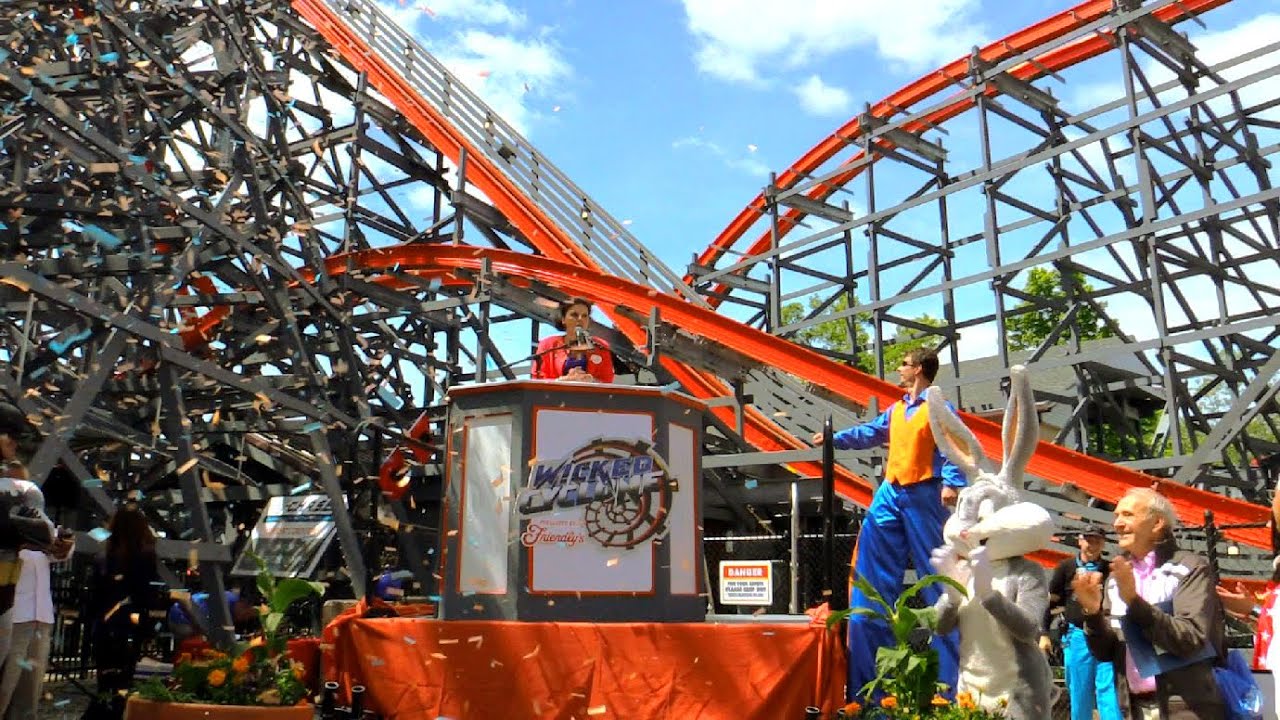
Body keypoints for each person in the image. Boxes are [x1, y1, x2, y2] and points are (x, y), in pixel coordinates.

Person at [809, 348, 965, 701]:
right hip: (891, 491)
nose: (898, 368)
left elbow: (955, 444)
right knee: (871, 582)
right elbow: (872, 432)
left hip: (925, 493)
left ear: (920, 369)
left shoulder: (937, 406)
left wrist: (952, 482)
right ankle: (867, 690)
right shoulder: (897, 409)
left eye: (904, 364)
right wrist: (836, 438)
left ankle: (947, 690)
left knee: (936, 581)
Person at [1073, 487, 1226, 720]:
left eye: (1128, 515)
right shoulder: (1117, 576)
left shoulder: (1190, 568)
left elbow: (1191, 638)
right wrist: (1092, 614)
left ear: (1157, 523)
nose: (1117, 524)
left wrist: (1134, 602)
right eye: (1116, 516)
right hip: (1134, 707)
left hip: (1185, 707)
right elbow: (1105, 652)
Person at [85, 506, 166, 719]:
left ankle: (104, 712)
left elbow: (95, 593)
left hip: (105, 624)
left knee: (106, 680)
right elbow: (148, 591)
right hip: (131, 623)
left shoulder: (104, 556)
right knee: (124, 679)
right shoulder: (145, 555)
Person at [0, 502, 73, 720]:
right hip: (13, 617)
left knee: (30, 691)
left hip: (40, 616)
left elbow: (58, 550)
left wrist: (65, 543)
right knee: (5, 685)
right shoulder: (9, 525)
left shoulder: (38, 523)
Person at [1045, 524, 1122, 720]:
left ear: (1103, 543)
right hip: (1077, 635)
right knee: (1079, 691)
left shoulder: (1108, 569)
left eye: (1097, 540)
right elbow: (1052, 600)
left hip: (1106, 635)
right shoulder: (1066, 568)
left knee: (1109, 690)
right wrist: (1044, 633)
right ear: (1080, 541)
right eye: (1088, 539)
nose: (1092, 544)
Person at [532, 298, 614, 383]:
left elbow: (607, 380)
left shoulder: (600, 346)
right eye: (574, 315)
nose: (580, 319)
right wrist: (562, 381)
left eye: (584, 316)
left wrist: (591, 381)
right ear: (563, 319)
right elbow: (537, 379)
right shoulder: (548, 345)